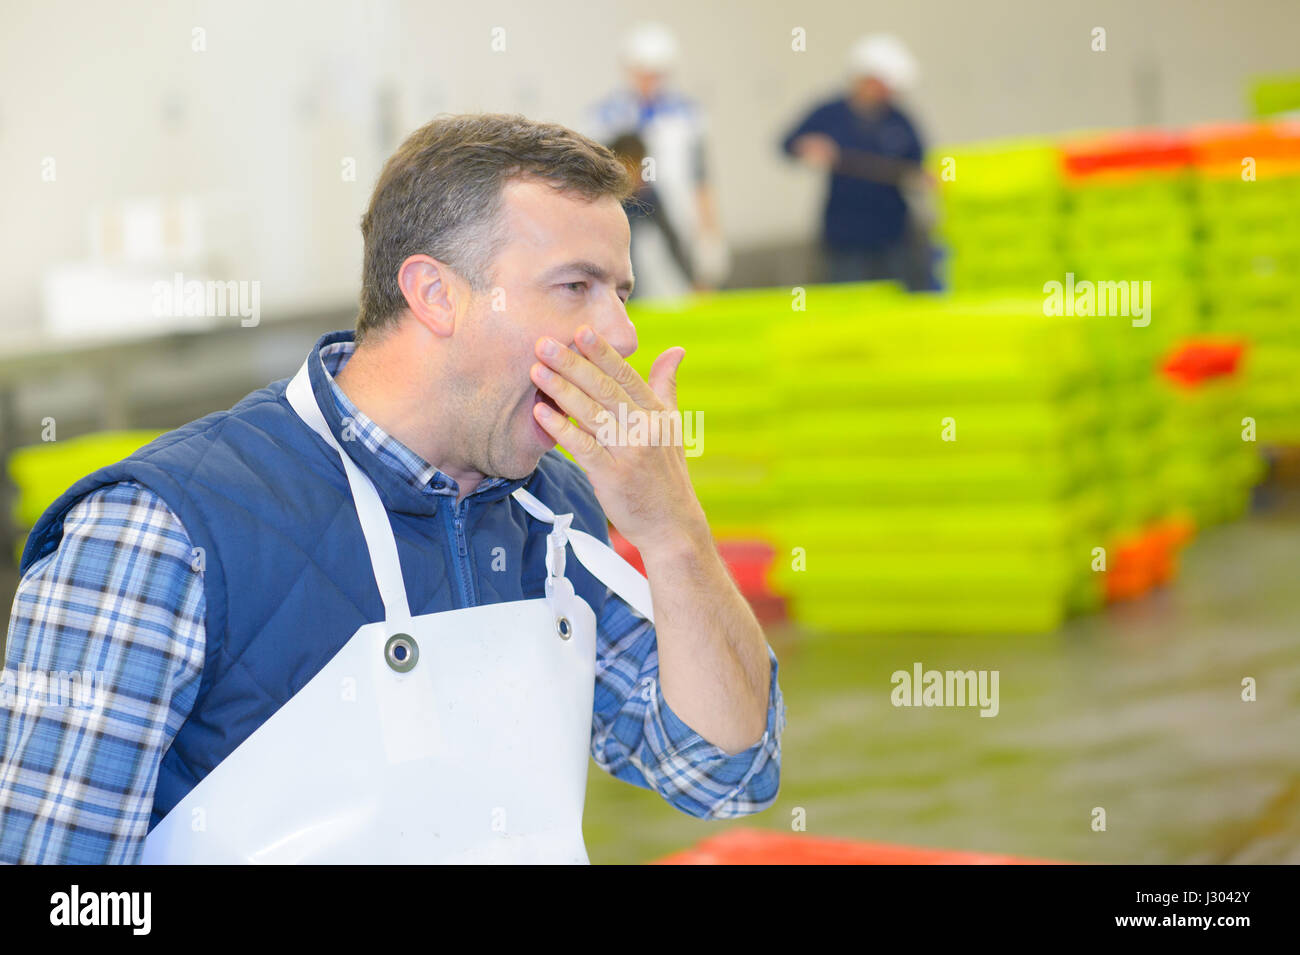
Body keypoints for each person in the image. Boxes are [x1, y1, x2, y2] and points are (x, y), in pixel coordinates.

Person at [0, 113, 785, 864]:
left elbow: (724, 773)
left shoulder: (553, 512)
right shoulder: (159, 531)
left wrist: (673, 532)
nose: (621, 334)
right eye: (577, 286)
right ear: (436, 294)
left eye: (620, 289)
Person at [584, 22, 729, 299]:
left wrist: (709, 232)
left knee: (687, 284)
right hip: (623, 211)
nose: (648, 81)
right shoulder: (603, 117)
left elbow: (700, 178)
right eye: (642, 72)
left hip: (676, 214)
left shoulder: (688, 116)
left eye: (656, 74)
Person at [781, 33, 937, 290]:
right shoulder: (830, 114)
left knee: (898, 301)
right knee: (848, 301)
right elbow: (787, 144)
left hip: (892, 233)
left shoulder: (899, 119)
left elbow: (920, 164)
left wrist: (926, 178)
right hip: (844, 234)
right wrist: (807, 148)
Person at [608, 130, 698, 300]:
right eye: (629, 168)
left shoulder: (646, 193)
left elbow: (671, 239)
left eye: (639, 167)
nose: (635, 177)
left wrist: (693, 279)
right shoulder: (599, 196)